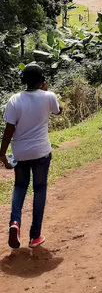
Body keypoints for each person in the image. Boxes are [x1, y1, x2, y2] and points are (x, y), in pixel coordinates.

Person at [0, 64, 60, 250]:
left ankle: (15, 222)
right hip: (41, 152)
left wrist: (2, 153)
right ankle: (35, 236)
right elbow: (58, 111)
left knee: (20, 185)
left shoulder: (14, 100)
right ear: (42, 81)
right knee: (39, 189)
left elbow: (9, 129)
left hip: (20, 152)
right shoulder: (49, 96)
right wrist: (46, 90)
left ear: (23, 81)